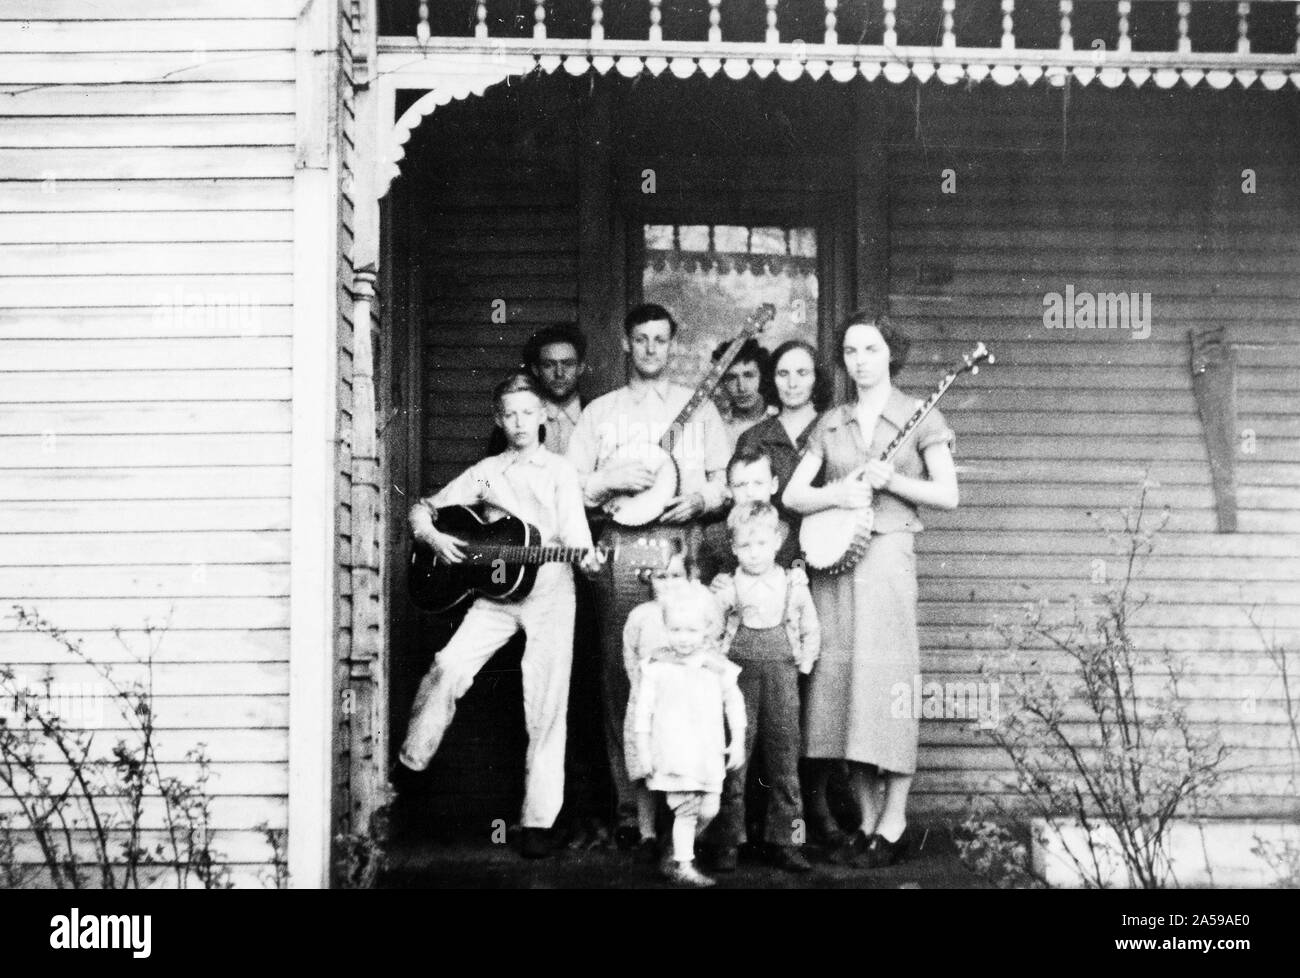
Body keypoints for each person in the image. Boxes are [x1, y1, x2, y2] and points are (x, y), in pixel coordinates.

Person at [399, 373, 604, 860]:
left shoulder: (558, 472)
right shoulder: (489, 472)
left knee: (545, 701)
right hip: (497, 591)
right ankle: (409, 771)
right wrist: (430, 535)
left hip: (551, 591)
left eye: (527, 413)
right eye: (509, 414)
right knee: (448, 666)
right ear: (498, 418)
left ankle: (538, 821)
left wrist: (589, 558)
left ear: (543, 417)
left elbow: (576, 534)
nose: (518, 423)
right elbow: (422, 509)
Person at [783, 310, 958, 868]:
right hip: (833, 567)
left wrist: (895, 482)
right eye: (851, 351)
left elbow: (948, 494)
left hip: (887, 556)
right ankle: (865, 820)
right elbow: (793, 496)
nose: (860, 360)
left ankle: (896, 820)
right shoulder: (831, 422)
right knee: (840, 687)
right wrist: (841, 493)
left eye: (871, 349)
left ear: (891, 354)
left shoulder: (920, 414)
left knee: (887, 681)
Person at [566, 302, 731, 847]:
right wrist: (607, 479)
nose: (652, 349)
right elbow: (569, 489)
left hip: (683, 546)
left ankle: (685, 811)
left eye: (661, 339)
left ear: (672, 344)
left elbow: (725, 482)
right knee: (627, 677)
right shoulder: (600, 414)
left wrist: (701, 498)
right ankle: (629, 812)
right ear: (625, 342)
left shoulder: (698, 408)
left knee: (687, 674)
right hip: (619, 549)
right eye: (641, 339)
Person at [708, 502, 820, 874]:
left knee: (786, 761)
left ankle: (789, 842)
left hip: (783, 679)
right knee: (733, 760)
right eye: (745, 545)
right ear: (734, 548)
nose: (754, 552)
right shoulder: (727, 587)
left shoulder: (793, 584)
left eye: (761, 543)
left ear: (777, 541)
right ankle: (727, 842)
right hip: (737, 681)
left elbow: (811, 629)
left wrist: (803, 664)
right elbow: (709, 629)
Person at [632, 582, 746, 887]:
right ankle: (683, 864)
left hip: (707, 753)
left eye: (691, 631)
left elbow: (734, 702)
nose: (683, 638)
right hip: (673, 752)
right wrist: (643, 751)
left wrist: (738, 741)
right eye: (676, 630)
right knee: (687, 810)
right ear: (666, 627)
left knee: (709, 808)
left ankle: (674, 851)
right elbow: (643, 713)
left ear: (707, 630)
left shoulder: (715, 666)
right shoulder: (656, 667)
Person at [621, 552, 692, 864]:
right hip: (647, 704)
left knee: (678, 768)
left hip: (681, 706)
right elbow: (630, 657)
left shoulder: (692, 614)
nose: (669, 584)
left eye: (676, 576)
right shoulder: (640, 615)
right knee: (645, 770)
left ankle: (676, 835)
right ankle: (647, 833)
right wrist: (642, 692)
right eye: (661, 576)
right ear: (649, 580)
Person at [694, 444, 801, 584]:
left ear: (773, 485)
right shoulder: (714, 536)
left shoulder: (787, 530)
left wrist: (799, 571)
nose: (750, 493)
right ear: (728, 490)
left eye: (758, 483)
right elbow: (703, 578)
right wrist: (713, 582)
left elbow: (798, 561)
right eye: (740, 485)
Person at [486, 324, 588, 457]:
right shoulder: (515, 420)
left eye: (568, 364)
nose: (559, 373)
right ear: (536, 369)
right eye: (549, 365)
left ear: (580, 368)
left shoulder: (597, 415)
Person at [713, 338, 776, 450]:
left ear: (763, 377)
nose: (741, 387)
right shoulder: (717, 426)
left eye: (749, 375)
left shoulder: (781, 418)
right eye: (731, 378)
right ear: (723, 382)